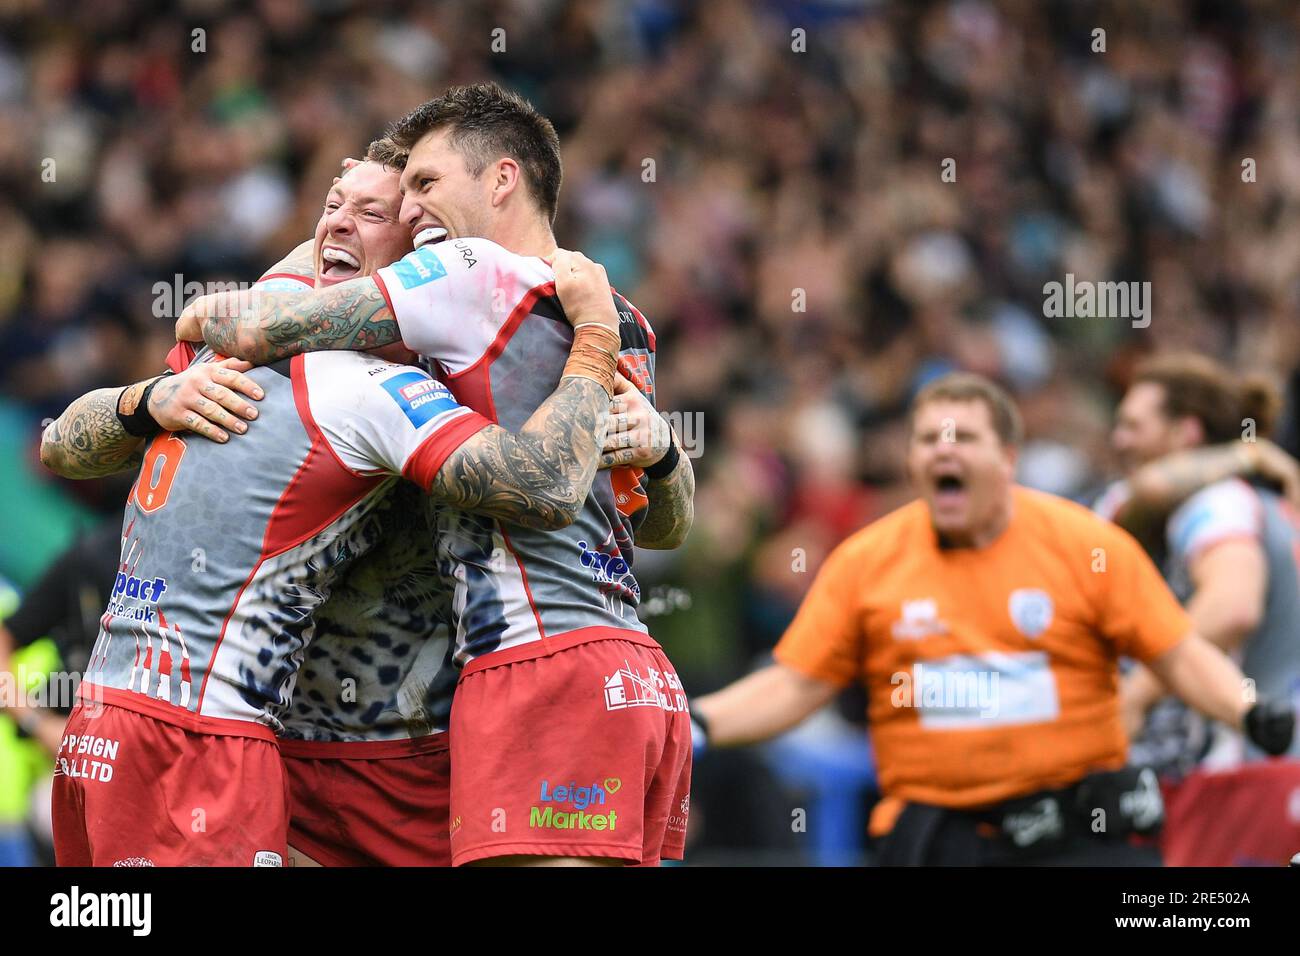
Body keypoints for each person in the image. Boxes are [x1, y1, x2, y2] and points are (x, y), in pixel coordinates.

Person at [40, 154, 628, 866]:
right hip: (197, 741)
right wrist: (144, 401)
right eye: (331, 204)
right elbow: (546, 487)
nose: (339, 222)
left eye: (371, 213)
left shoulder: (248, 333)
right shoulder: (338, 377)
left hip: (115, 728)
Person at [182, 82, 695, 867]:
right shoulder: (624, 314)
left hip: (538, 667)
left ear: (502, 180)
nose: (413, 209)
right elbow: (664, 527)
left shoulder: (466, 272)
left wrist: (210, 307)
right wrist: (664, 452)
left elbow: (259, 327)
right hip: (636, 671)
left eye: (425, 184)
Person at [690, 372, 1294, 866]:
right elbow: (797, 682)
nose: (944, 449)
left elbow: (1179, 653)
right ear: (911, 460)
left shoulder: (1085, 544)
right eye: (928, 439)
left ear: (1008, 457)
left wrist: (1245, 709)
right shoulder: (865, 561)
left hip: (1077, 832)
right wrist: (696, 725)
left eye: (964, 438)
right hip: (936, 837)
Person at [1097, 353, 1300, 768]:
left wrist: (1139, 692)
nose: (1119, 440)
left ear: (1186, 431)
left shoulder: (1218, 503)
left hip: (1246, 771)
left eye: (1134, 426)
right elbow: (1138, 495)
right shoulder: (1242, 494)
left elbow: (1232, 609)